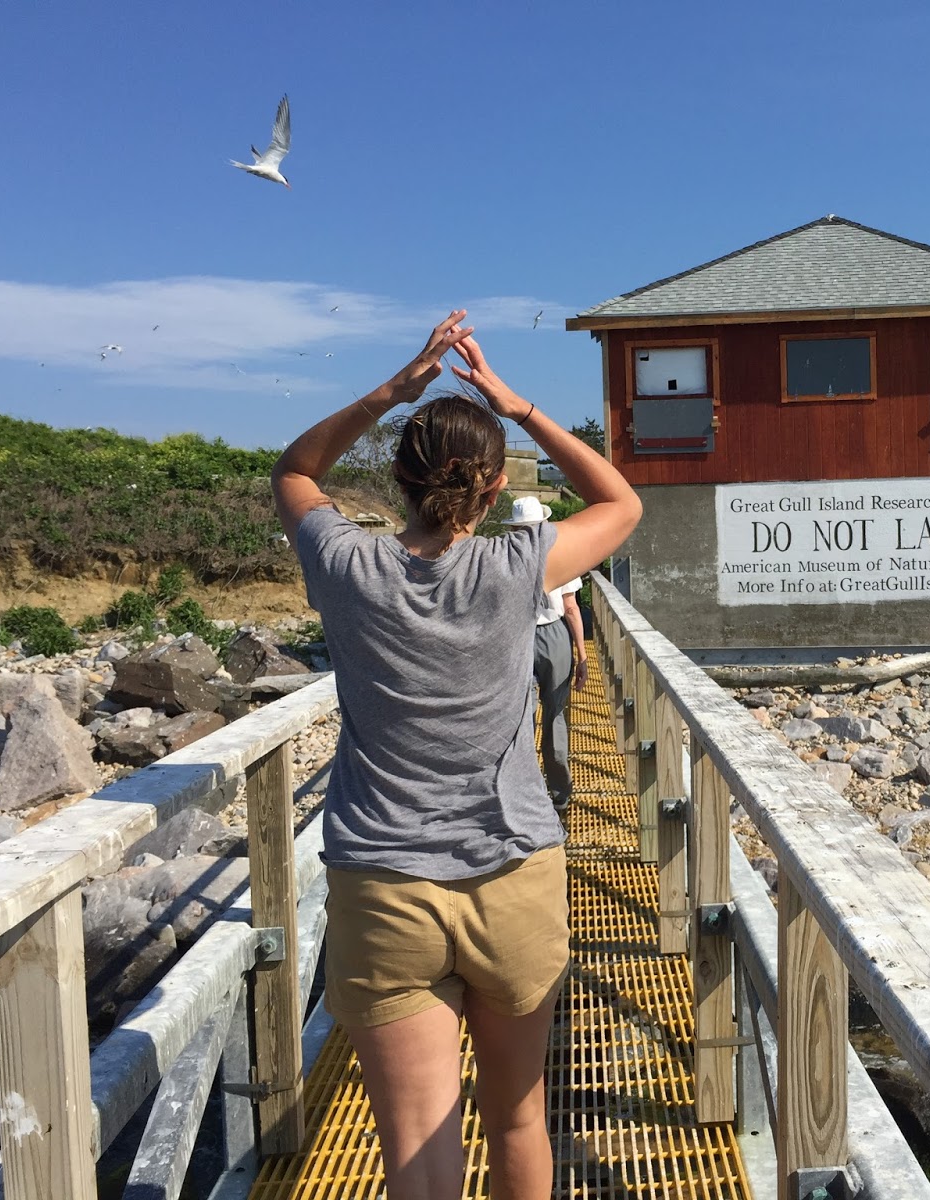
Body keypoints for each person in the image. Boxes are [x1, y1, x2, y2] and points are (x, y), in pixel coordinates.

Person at [270, 310, 640, 1200]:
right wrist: (516, 404)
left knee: (417, 1151)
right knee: (517, 1116)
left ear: (398, 479)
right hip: (513, 875)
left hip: (384, 883)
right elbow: (621, 503)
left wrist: (395, 388)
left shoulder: (347, 565)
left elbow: (294, 469)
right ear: (494, 488)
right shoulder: (520, 567)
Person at [503, 496, 587, 815]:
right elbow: (570, 608)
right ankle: (560, 792)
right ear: (543, 525)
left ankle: (522, 789)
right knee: (555, 714)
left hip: (518, 635)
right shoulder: (560, 555)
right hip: (554, 636)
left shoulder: (506, 558)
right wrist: (581, 655)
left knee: (522, 714)